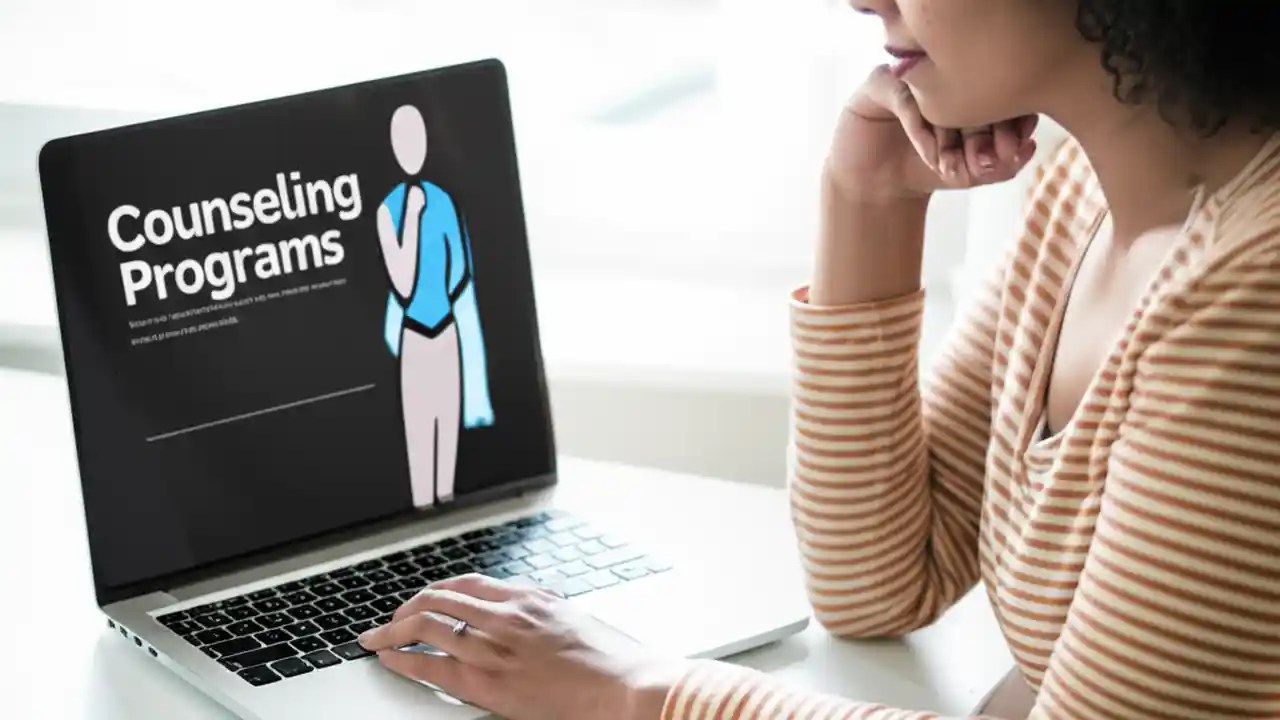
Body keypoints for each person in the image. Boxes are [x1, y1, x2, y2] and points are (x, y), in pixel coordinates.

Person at [358, 1, 1280, 717]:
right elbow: (876, 581)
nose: (860, 1)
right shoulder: (1085, 191)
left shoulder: (1253, 286)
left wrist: (631, 691)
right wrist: (868, 199)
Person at [377, 104, 494, 510]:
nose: (412, 147)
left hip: (446, 331)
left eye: (418, 137)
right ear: (394, 146)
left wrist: (442, 301)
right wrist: (410, 218)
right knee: (419, 437)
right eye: (403, 139)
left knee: (447, 433)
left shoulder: (444, 202)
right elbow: (404, 285)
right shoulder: (387, 211)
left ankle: (444, 508)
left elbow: (459, 267)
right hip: (414, 335)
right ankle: (424, 508)